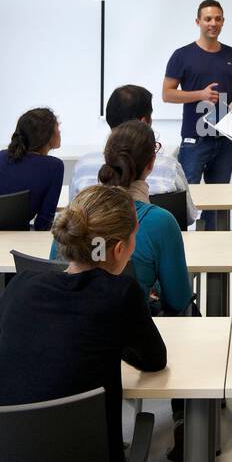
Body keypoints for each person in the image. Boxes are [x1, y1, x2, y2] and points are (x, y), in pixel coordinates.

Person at [0, 185, 167, 462]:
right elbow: (154, 360)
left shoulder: (23, 283)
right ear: (118, 248)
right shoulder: (121, 293)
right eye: (134, 237)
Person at [57, 120, 194, 316]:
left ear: (107, 158)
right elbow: (179, 301)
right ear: (151, 162)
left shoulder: (74, 215)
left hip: (67, 328)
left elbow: (55, 271)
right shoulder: (161, 222)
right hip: (131, 333)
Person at [71, 84, 199, 226]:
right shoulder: (168, 166)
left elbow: (74, 215)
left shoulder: (83, 166)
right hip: (156, 244)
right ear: (144, 122)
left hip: (98, 247)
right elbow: (188, 217)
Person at [163, 0, 232, 185]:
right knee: (188, 198)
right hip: (195, 138)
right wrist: (200, 95)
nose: (213, 24)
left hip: (225, 138)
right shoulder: (182, 55)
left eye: (218, 19)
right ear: (198, 21)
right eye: (208, 19)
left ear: (223, 21)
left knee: (220, 200)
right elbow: (167, 94)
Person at [0, 107, 63, 230]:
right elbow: (43, 222)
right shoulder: (55, 166)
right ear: (47, 135)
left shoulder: (1, 156)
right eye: (57, 127)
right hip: (15, 241)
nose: (60, 131)